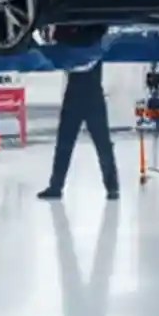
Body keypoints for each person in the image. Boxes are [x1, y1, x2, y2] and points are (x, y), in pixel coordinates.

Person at [37, 28, 119, 201]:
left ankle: (56, 187)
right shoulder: (94, 32)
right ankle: (112, 187)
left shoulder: (74, 34)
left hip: (81, 94)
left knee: (70, 144)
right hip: (90, 94)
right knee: (100, 143)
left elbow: (56, 40)